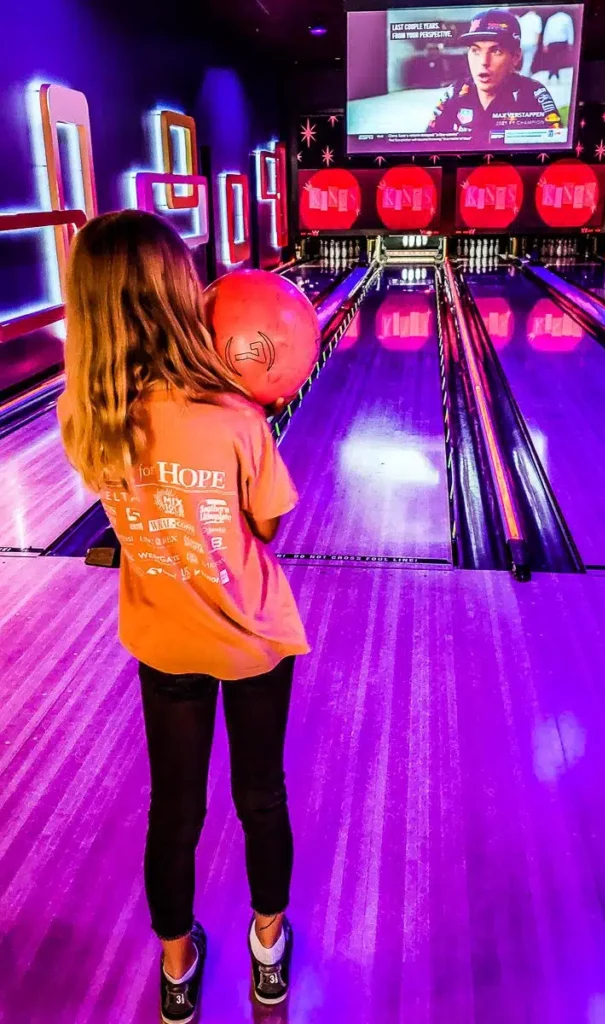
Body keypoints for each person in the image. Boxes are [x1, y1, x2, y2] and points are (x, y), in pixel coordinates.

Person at [58, 210, 310, 1022]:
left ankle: (176, 969)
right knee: (260, 795)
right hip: (255, 641)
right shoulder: (233, 419)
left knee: (174, 810)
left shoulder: (83, 418)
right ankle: (267, 951)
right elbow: (267, 523)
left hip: (163, 643)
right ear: (180, 294)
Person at [427, 8, 562, 145]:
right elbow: (427, 145)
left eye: (496, 51)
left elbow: (555, 150)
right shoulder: (455, 93)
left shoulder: (534, 95)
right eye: (475, 51)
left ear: (516, 56)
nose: (484, 62)